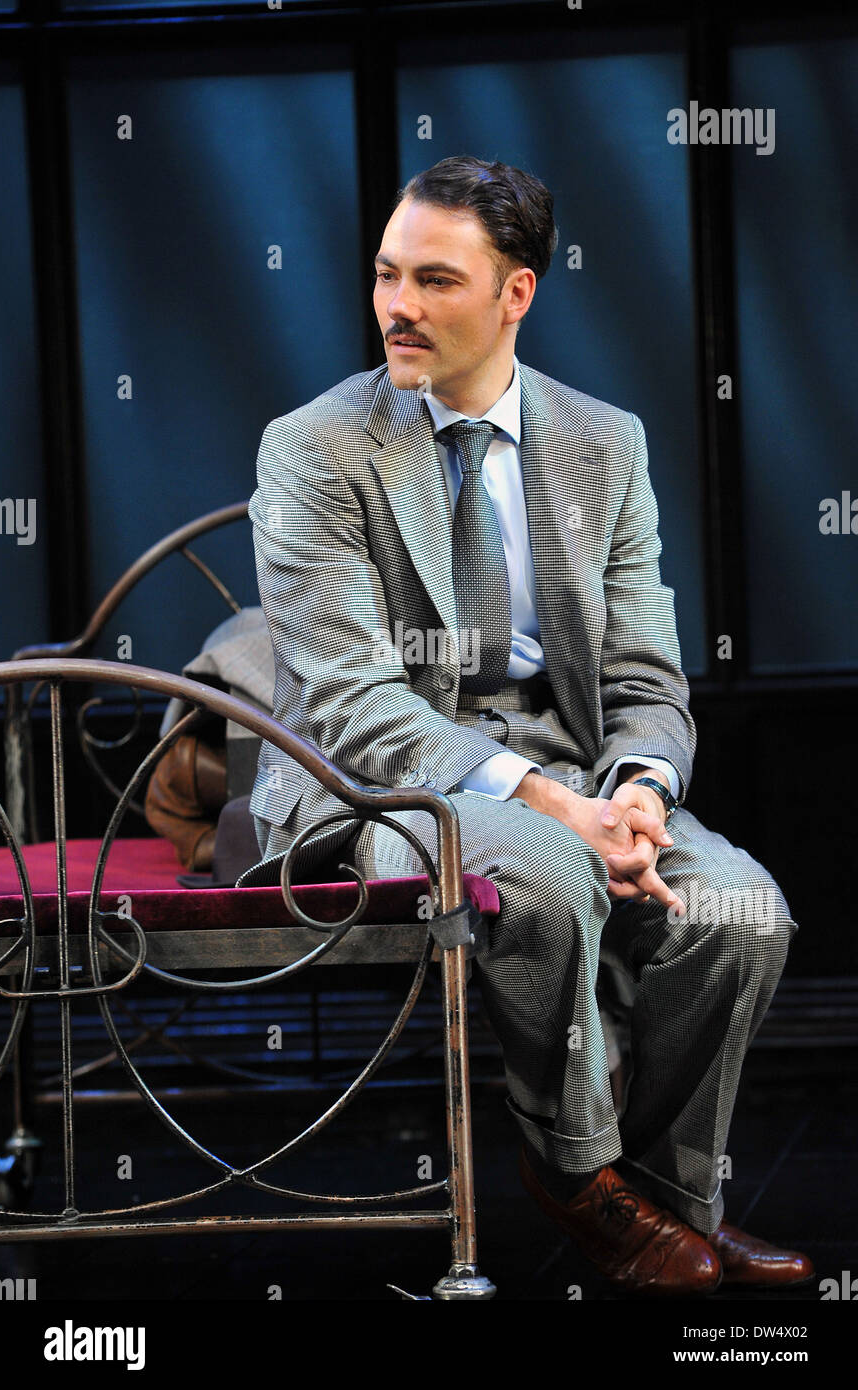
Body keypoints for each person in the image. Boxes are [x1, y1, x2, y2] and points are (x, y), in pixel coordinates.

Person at [239, 155, 812, 1296]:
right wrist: (557, 805)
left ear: (517, 294)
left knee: (742, 912)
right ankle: (579, 1172)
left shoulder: (606, 445)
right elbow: (354, 705)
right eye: (386, 274)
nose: (398, 306)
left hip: (575, 777)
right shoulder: (315, 448)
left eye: (436, 280)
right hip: (379, 784)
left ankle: (664, 1202)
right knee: (551, 874)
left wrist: (639, 795)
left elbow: (649, 680)